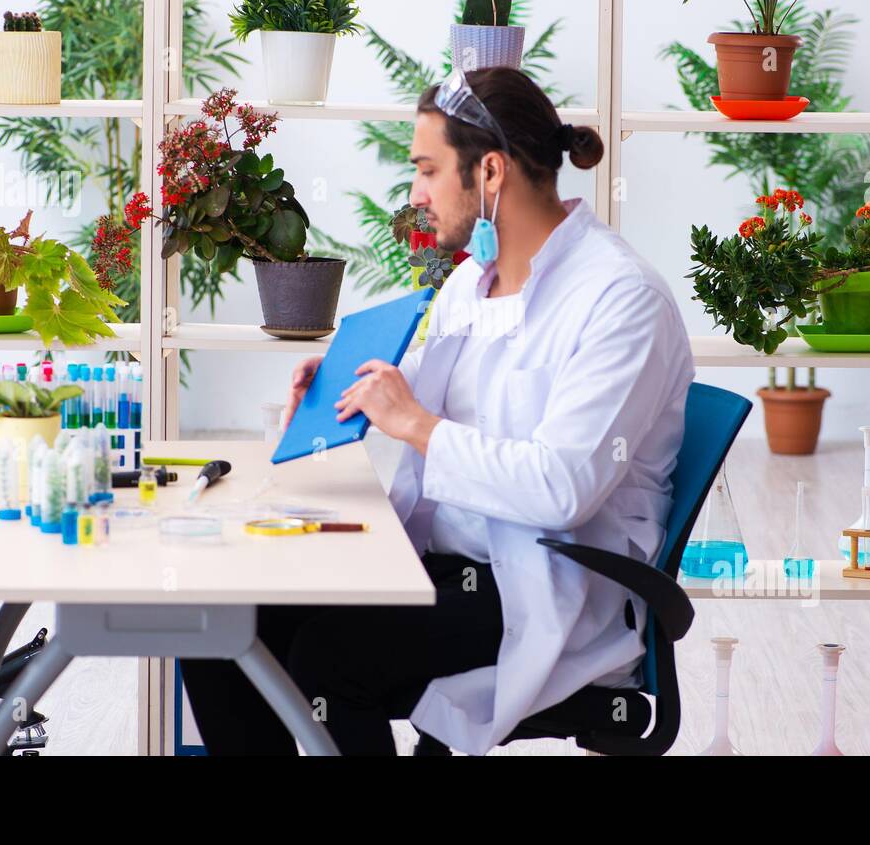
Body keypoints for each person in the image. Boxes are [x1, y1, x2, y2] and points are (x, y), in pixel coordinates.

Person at [180, 66, 693, 755]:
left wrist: (416, 424)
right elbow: (417, 384)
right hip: (448, 559)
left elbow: (562, 487)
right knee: (222, 618)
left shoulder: (619, 299)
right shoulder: (473, 282)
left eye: (426, 169)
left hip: (544, 583)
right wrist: (346, 391)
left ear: (489, 172)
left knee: (331, 658)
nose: (416, 194)